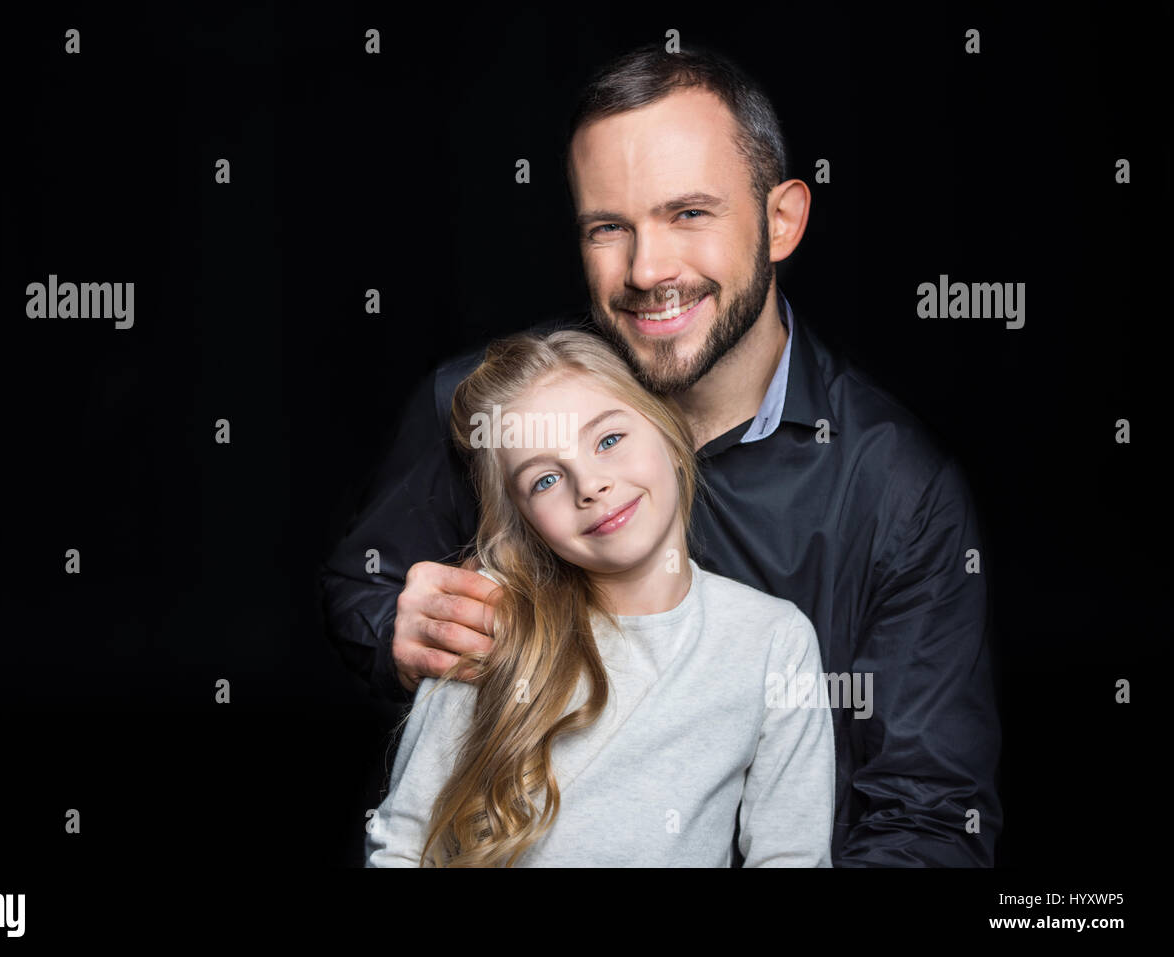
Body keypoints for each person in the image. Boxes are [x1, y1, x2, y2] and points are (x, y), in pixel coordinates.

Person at [324, 42, 1001, 866]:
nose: (649, 270)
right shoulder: (481, 410)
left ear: (781, 219)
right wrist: (396, 627)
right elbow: (364, 581)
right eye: (609, 227)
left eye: (689, 213)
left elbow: (929, 819)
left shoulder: (899, 488)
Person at [365, 329, 834, 866]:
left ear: (668, 432)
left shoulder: (773, 640)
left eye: (609, 440)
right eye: (544, 480)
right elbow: (402, 846)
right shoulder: (492, 622)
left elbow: (791, 855)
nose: (588, 485)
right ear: (525, 524)